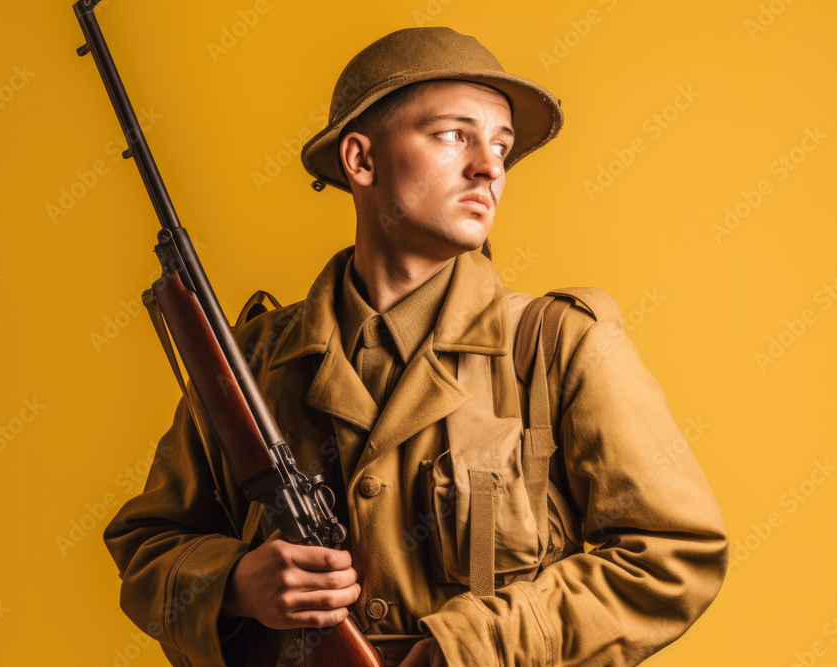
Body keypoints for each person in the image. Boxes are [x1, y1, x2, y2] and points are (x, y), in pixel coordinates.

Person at [103, 27, 729, 667]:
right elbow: (148, 550)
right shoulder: (251, 361)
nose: (490, 166)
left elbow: (675, 555)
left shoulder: (558, 346)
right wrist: (236, 583)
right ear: (361, 160)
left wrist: (476, 647)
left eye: (502, 146)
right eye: (454, 135)